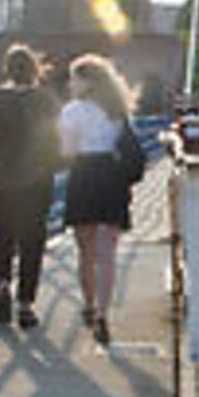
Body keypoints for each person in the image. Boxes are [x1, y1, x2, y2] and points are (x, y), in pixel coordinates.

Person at [0, 44, 61, 328]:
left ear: (7, 69)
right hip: (37, 180)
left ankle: (2, 287)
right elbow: (56, 138)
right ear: (34, 69)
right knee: (32, 242)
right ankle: (25, 304)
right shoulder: (47, 100)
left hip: (3, 179)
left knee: (2, 237)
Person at [58, 54, 137, 346]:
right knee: (107, 254)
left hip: (84, 176)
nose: (70, 83)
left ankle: (89, 305)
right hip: (112, 178)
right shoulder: (117, 109)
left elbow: (67, 152)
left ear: (86, 81)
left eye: (74, 77)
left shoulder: (71, 111)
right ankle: (103, 314)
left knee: (85, 251)